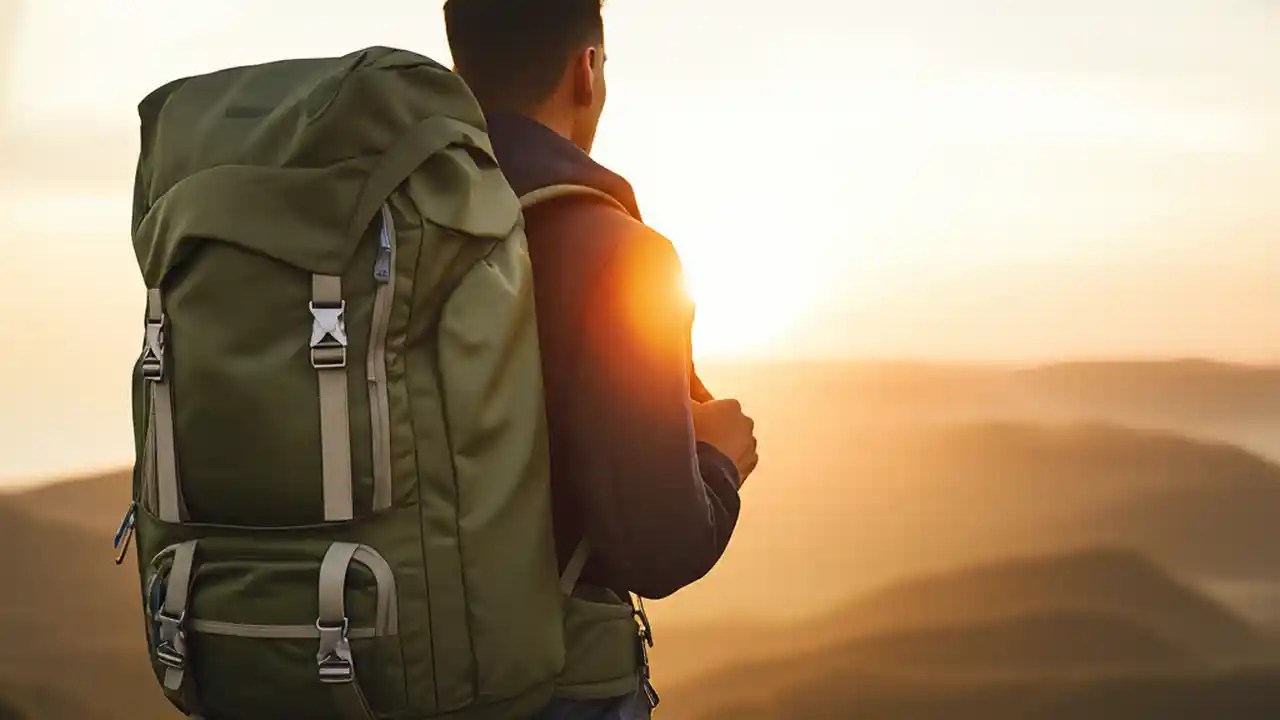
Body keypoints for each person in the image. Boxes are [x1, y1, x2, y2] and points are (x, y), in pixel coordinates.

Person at [444, 1, 760, 717]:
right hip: (549, 689)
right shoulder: (617, 253)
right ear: (587, 70)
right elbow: (659, 548)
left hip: (359, 668)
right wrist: (717, 458)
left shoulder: (389, 228)